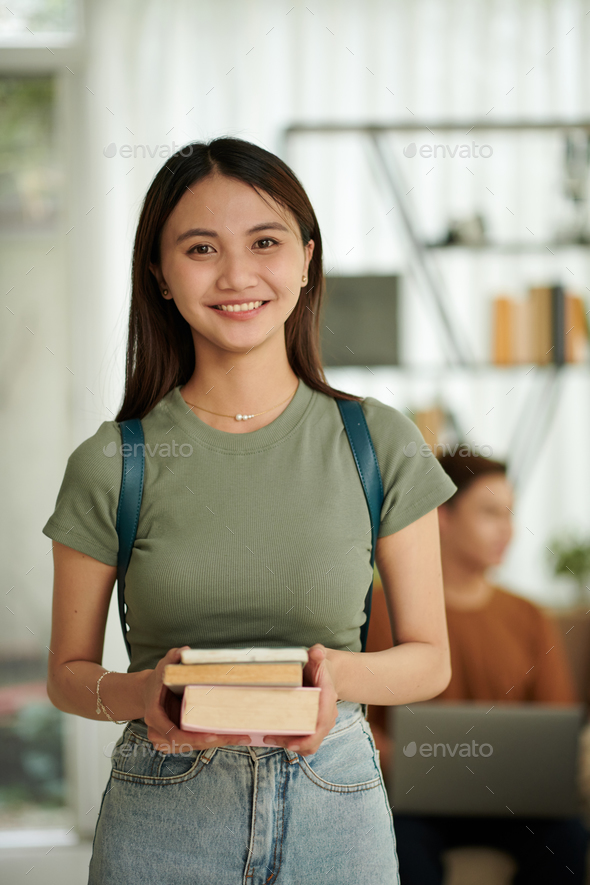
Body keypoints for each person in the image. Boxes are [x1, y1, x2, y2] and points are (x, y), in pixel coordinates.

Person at [43, 136, 458, 885]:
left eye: (264, 242)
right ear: (161, 276)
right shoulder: (113, 462)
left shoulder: (380, 442)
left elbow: (430, 660)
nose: (237, 275)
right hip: (162, 811)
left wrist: (333, 676)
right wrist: (144, 692)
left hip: (337, 806)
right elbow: (67, 675)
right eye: (200, 248)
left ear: (305, 258)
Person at [367, 450, 589, 884]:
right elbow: (356, 723)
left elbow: (555, 725)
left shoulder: (529, 617)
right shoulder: (377, 611)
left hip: (514, 804)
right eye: (490, 513)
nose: (508, 530)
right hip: (414, 802)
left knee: (567, 839)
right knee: (400, 847)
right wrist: (409, 759)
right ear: (442, 517)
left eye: (510, 515)